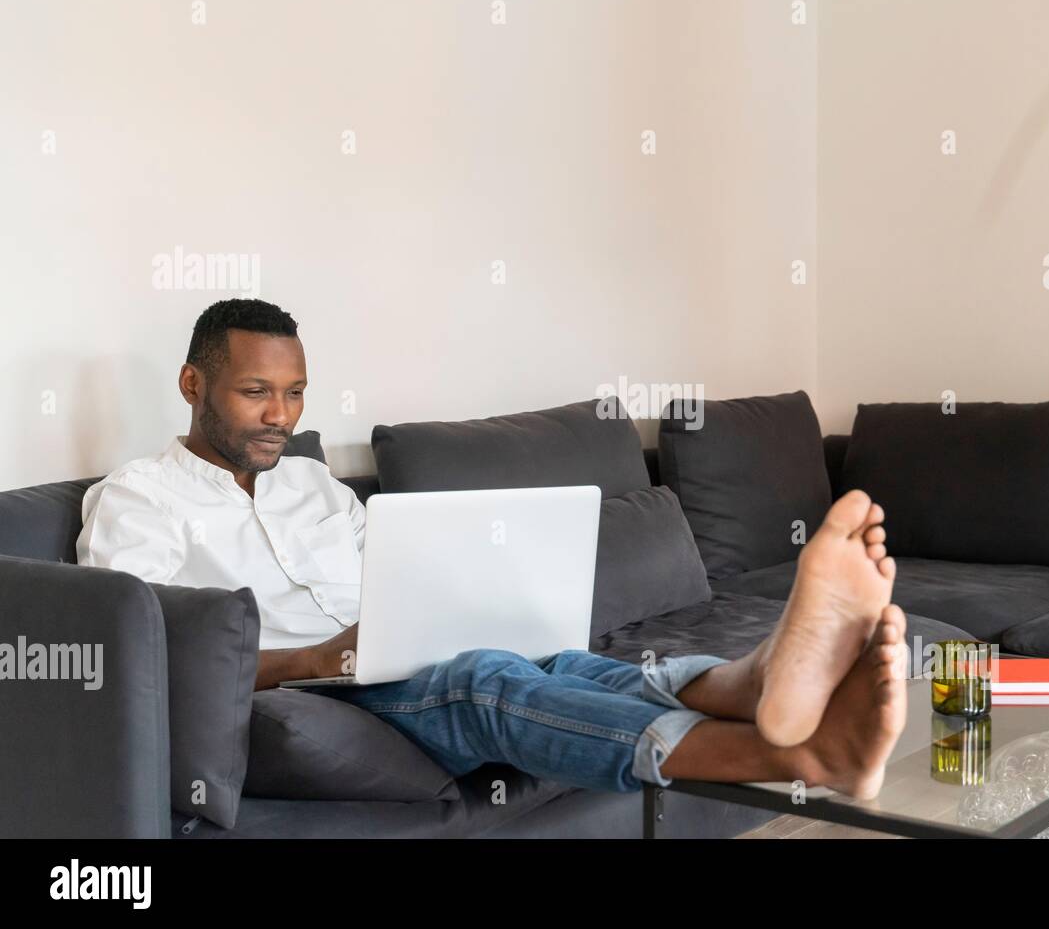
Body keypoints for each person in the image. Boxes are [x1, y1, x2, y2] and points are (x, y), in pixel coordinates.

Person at [78, 298, 908, 798]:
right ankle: (792, 748)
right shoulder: (136, 502)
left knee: (560, 662)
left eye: (294, 393)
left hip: (390, 657)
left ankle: (745, 682)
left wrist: (470, 593)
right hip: (308, 694)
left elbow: (406, 571)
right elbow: (148, 654)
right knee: (488, 682)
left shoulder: (314, 484)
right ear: (194, 385)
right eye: (255, 392)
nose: (281, 416)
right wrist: (311, 660)